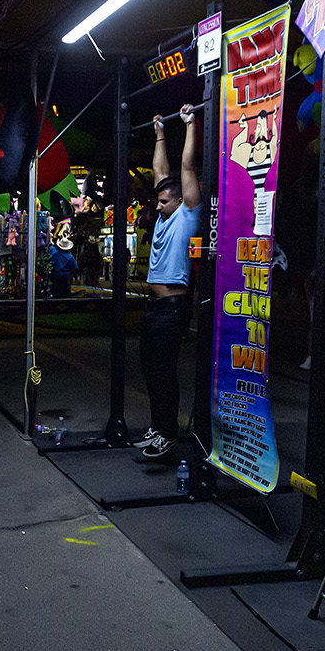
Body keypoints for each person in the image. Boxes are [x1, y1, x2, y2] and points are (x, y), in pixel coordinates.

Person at [133, 108, 205, 461]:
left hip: (174, 309)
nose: (158, 206)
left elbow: (184, 169)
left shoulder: (188, 214)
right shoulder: (164, 215)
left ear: (180, 201)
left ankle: (167, 434)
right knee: (150, 368)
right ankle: (156, 426)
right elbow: (161, 172)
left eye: (164, 201)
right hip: (154, 307)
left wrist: (191, 125)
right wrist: (160, 132)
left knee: (163, 370)